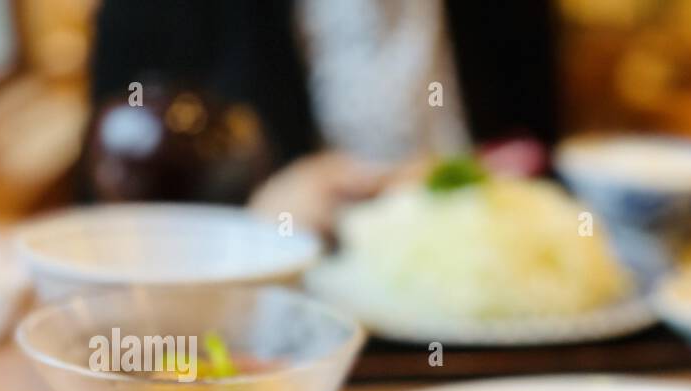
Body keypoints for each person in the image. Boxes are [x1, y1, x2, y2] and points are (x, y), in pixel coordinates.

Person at [84, 0, 558, 231]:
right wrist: (258, 225)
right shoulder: (151, 13)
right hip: (279, 338)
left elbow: (535, 151)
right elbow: (113, 227)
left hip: (490, 319)